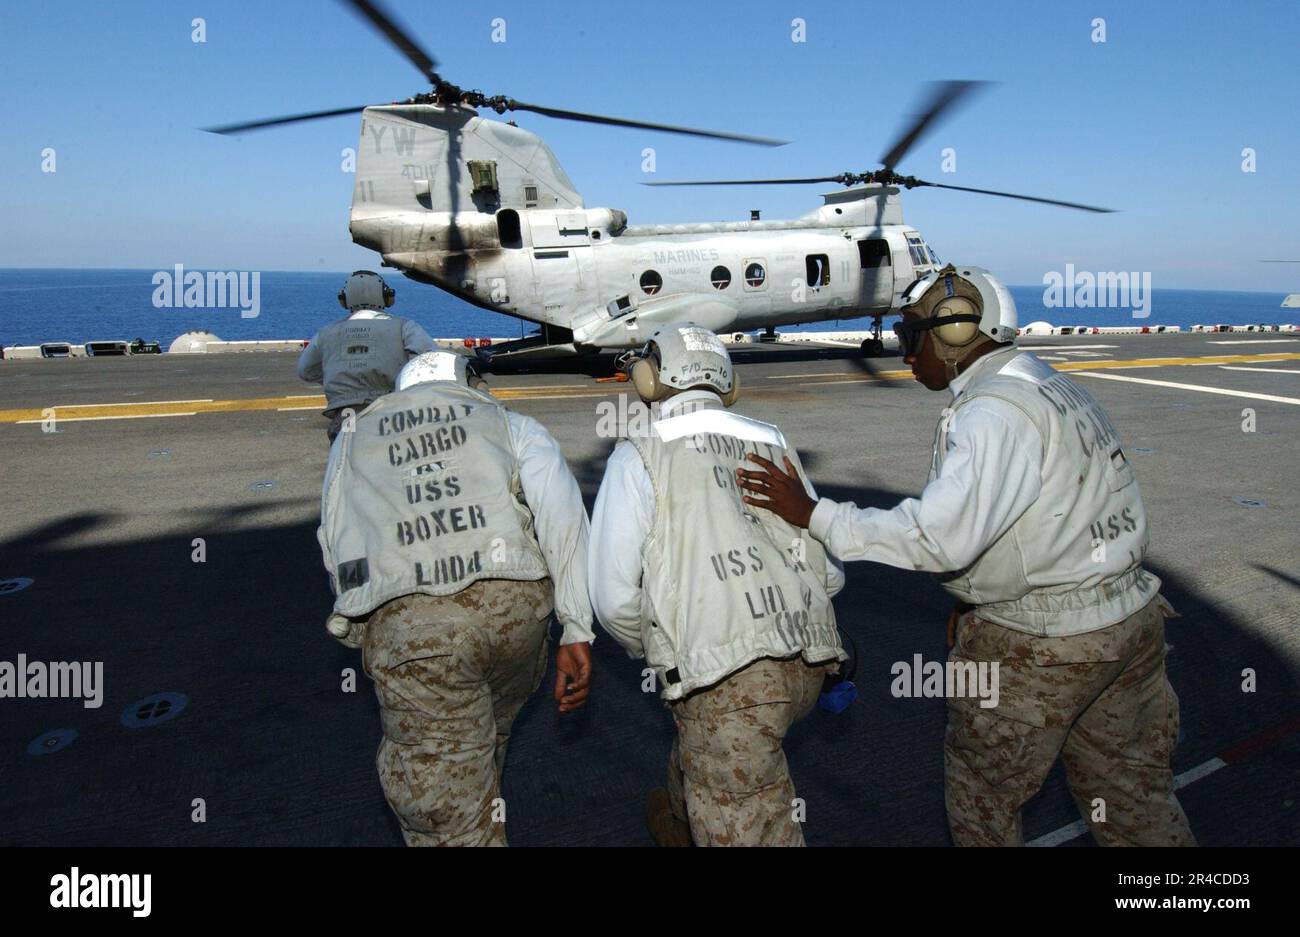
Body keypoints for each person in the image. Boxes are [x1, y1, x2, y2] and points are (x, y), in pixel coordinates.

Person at [737, 264, 1194, 847]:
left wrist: (815, 514)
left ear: (953, 332)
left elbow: (938, 537)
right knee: (1132, 794)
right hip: (1128, 618)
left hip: (1046, 642)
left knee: (985, 802)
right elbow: (1049, 514)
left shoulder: (992, 412)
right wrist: (977, 596)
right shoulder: (1046, 382)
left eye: (910, 336)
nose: (904, 354)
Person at [317, 350, 594, 846]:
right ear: (468, 381)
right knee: (483, 734)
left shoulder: (354, 435)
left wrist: (356, 617)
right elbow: (562, 519)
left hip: (417, 629)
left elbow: (337, 533)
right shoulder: (510, 423)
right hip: (514, 613)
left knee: (444, 806)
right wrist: (577, 626)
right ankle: (480, 802)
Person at [589, 322, 846, 847]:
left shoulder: (638, 451)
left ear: (650, 379)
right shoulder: (772, 439)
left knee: (750, 818)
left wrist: (662, 645)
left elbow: (614, 598)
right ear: (724, 383)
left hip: (725, 682)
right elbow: (832, 570)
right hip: (807, 660)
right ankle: (684, 818)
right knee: (721, 754)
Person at [297, 270, 436, 441]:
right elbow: (429, 360)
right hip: (392, 412)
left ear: (345, 299)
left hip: (346, 418)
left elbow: (306, 370)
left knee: (345, 464)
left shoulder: (325, 334)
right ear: (386, 297)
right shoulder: (405, 327)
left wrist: (337, 377)